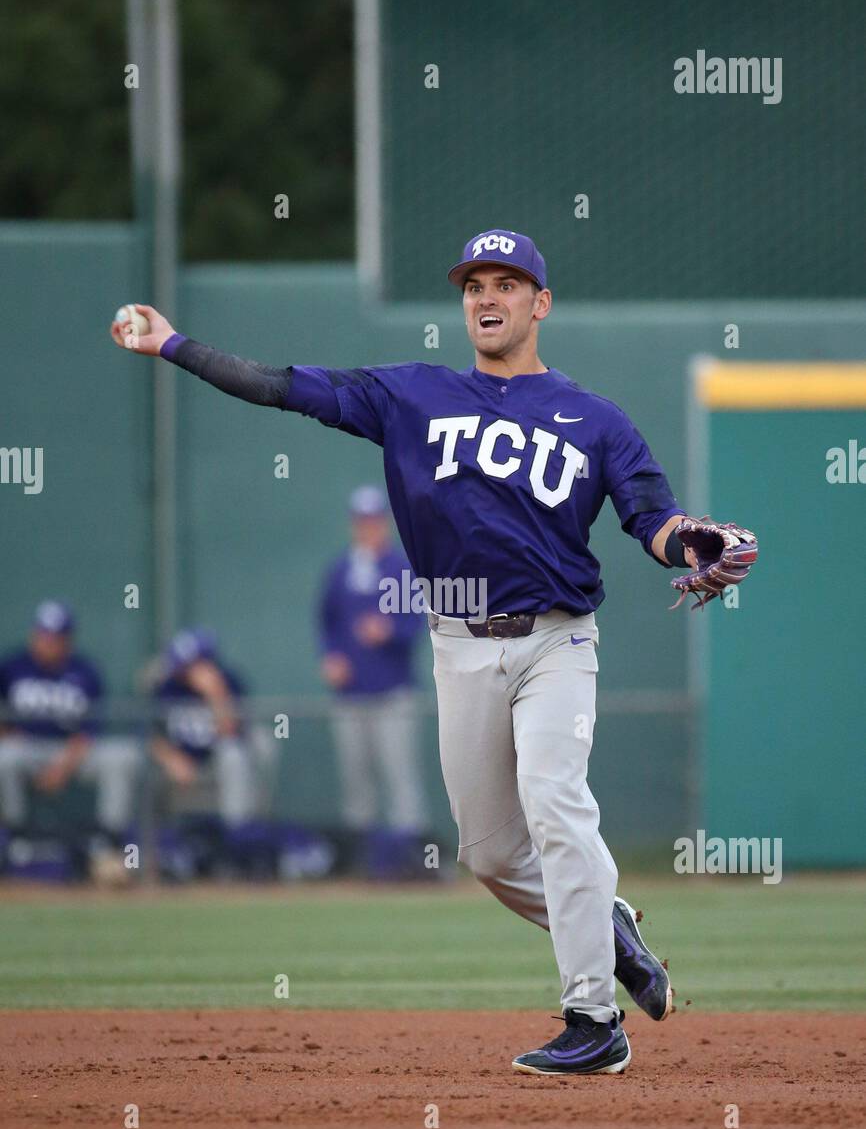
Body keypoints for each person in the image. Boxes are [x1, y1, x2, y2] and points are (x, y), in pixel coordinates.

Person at [111, 227, 756, 1075]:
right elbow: (278, 388)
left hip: (558, 641)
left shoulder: (596, 421)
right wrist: (174, 345)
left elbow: (654, 521)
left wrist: (692, 540)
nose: (486, 298)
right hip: (459, 645)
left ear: (540, 303)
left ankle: (593, 1021)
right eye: (474, 285)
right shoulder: (410, 395)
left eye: (507, 283)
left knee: (556, 803)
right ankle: (608, 926)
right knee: (488, 855)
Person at [318, 485, 427, 872]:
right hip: (350, 694)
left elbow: (419, 625)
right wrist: (330, 656)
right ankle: (360, 861)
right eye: (361, 521)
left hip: (392, 691)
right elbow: (326, 621)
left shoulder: (400, 567)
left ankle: (408, 859)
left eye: (374, 521)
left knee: (399, 775)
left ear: (386, 523)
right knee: (355, 779)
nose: (368, 528)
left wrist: (390, 631)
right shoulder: (341, 569)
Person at [0, 601, 139, 842]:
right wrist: (8, 734)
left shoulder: (86, 671)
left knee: (123, 756)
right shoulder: (12, 667)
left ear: (68, 640)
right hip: (27, 749)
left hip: (72, 751)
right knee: (5, 757)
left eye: (55, 637)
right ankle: (14, 835)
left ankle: (110, 840)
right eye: (43, 635)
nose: (48, 643)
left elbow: (90, 729)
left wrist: (61, 769)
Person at [151, 628, 257, 828]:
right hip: (180, 762)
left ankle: (237, 832)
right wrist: (170, 758)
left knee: (233, 755)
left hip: (215, 762)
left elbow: (230, 732)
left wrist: (215, 693)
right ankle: (142, 840)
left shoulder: (230, 682)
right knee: (138, 764)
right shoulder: (167, 687)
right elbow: (149, 733)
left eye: (191, 666)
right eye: (182, 667)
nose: (185, 673)